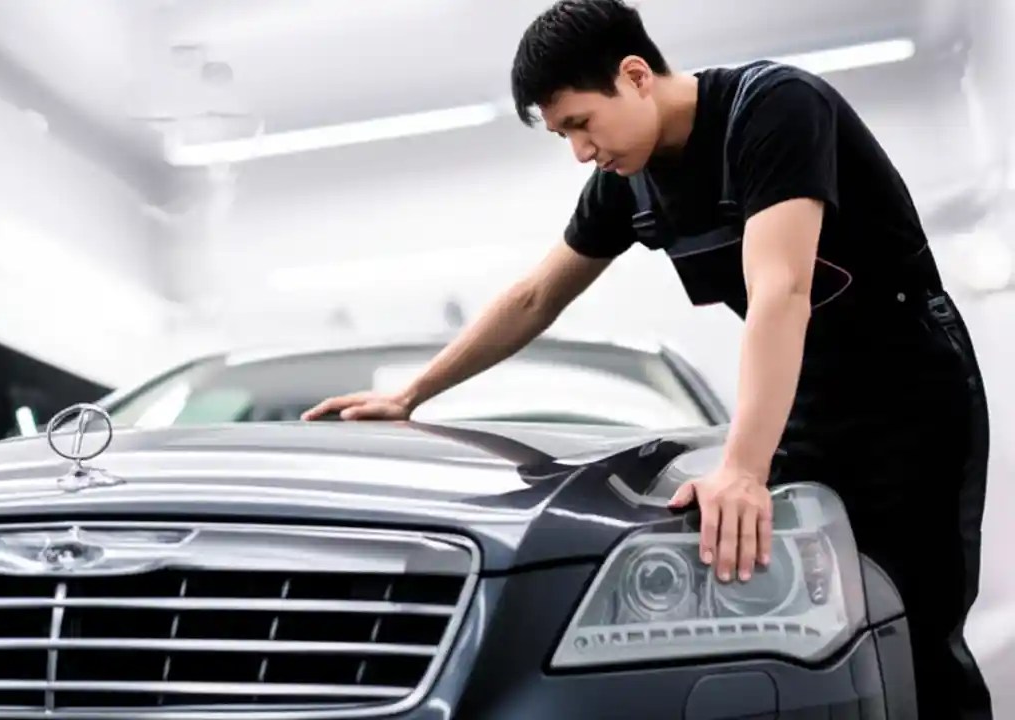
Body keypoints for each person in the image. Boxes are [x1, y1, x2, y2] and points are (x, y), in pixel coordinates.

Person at [300, 0, 992, 716]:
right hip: (809, 392)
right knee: (831, 623)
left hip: (910, 386)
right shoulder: (629, 182)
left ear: (634, 76)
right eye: (564, 135)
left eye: (581, 123)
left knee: (920, 623)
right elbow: (535, 297)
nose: (580, 151)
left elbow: (781, 289)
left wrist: (743, 469)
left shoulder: (775, 109)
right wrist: (411, 394)